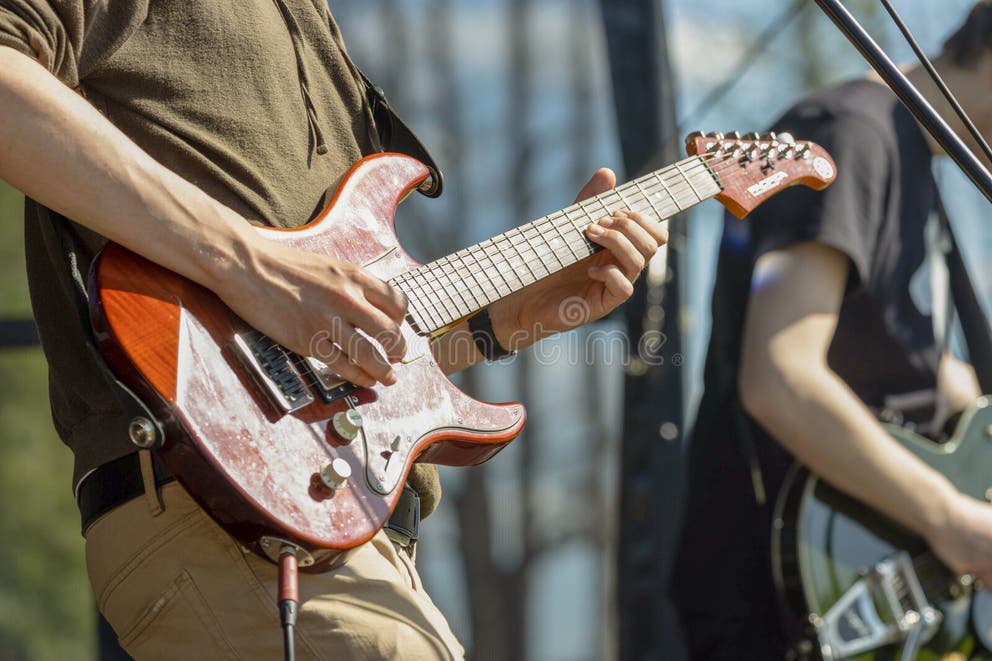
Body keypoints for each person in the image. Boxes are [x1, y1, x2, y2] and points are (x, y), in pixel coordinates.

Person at [0, 2, 667, 659]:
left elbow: (320, 361)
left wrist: (506, 320)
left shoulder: (315, 26)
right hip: (218, 512)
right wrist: (248, 264)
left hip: (342, 535)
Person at [670, 3, 992, 658]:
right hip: (781, 600)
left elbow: (921, 370)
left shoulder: (911, 157)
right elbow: (780, 375)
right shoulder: (849, 132)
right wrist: (948, 516)